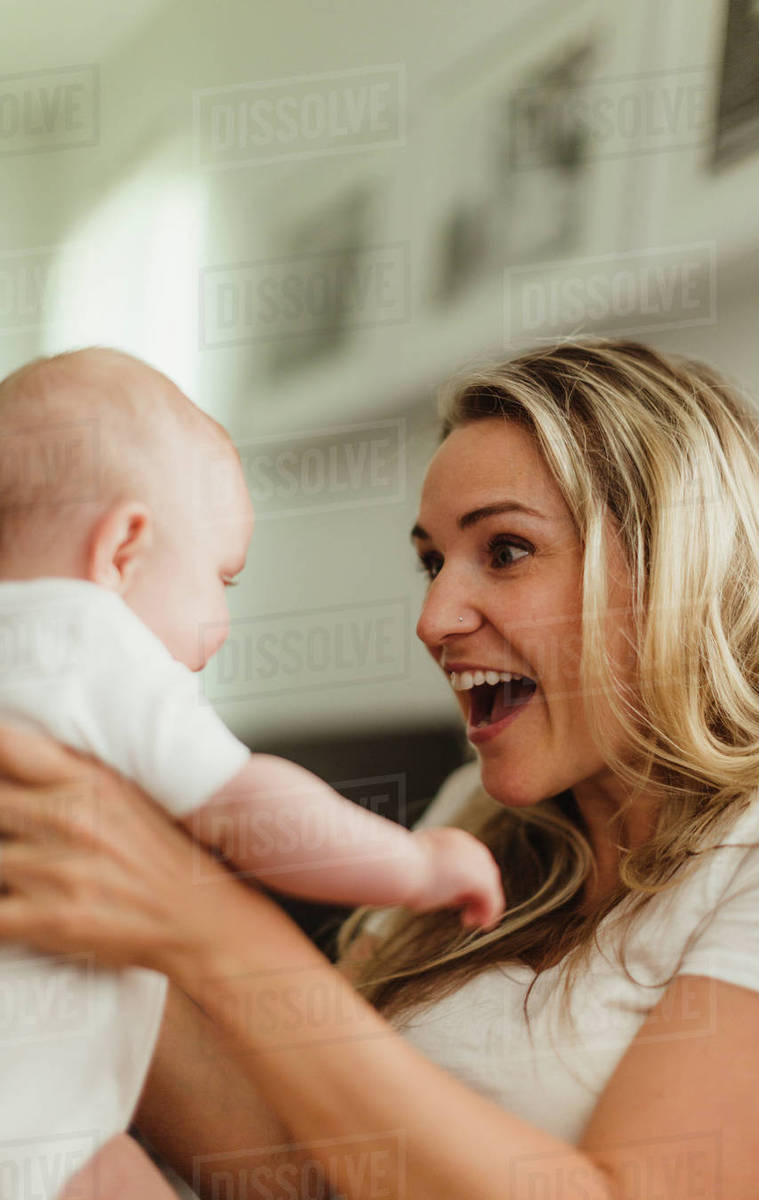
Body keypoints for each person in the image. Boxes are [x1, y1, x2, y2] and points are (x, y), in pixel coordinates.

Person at [0, 338, 759, 1200]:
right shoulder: (481, 816)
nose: (433, 618)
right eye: (431, 562)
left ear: (675, 564)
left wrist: (208, 928)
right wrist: (67, 894)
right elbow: (297, 1170)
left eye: (504, 550)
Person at [0, 348, 503, 1200]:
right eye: (220, 579)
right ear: (123, 547)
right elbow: (251, 806)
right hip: (42, 1111)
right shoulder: (85, 637)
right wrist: (414, 865)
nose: (223, 624)